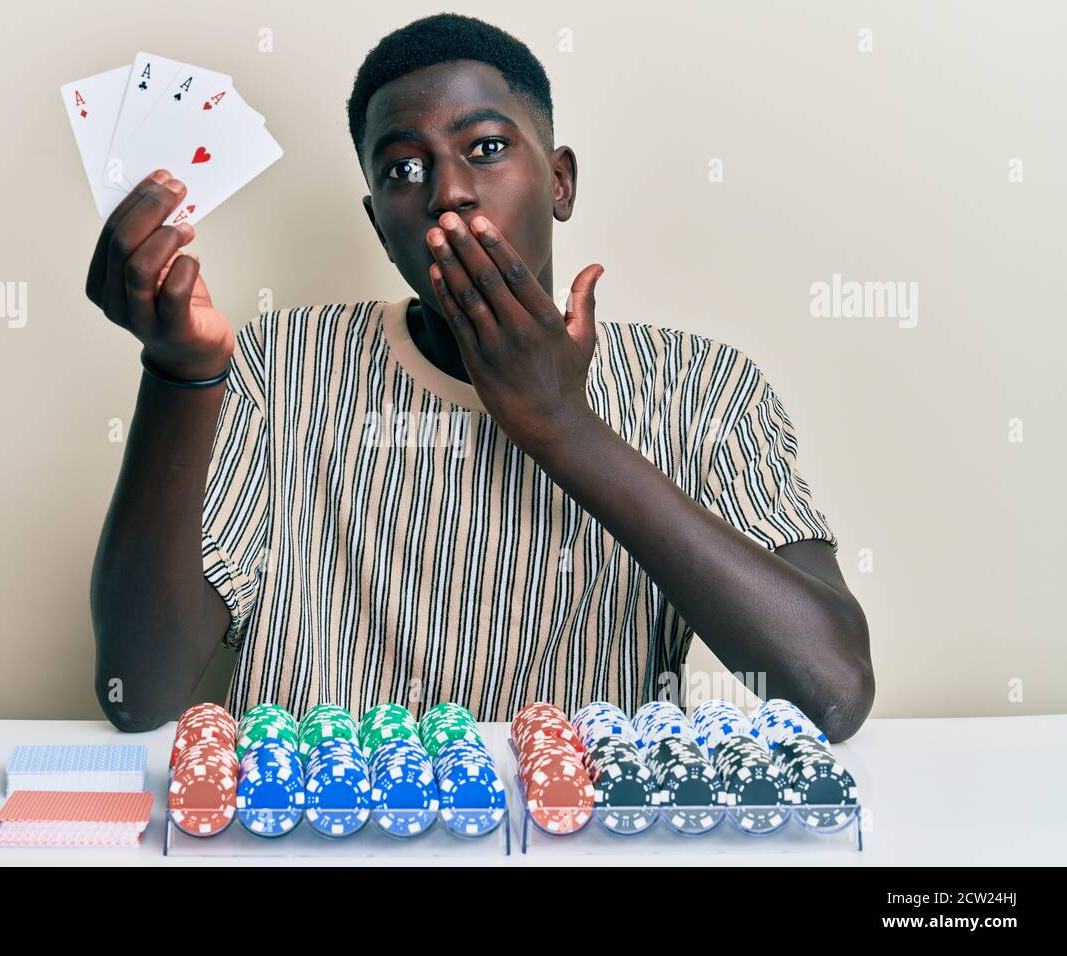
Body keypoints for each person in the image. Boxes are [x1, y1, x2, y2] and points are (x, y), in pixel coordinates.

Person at [87, 14, 873, 740]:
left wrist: (563, 425)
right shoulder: (277, 366)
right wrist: (178, 375)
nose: (448, 192)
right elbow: (138, 692)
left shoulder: (701, 385)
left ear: (560, 182)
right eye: (403, 168)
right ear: (379, 226)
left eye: (487, 148)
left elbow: (832, 690)